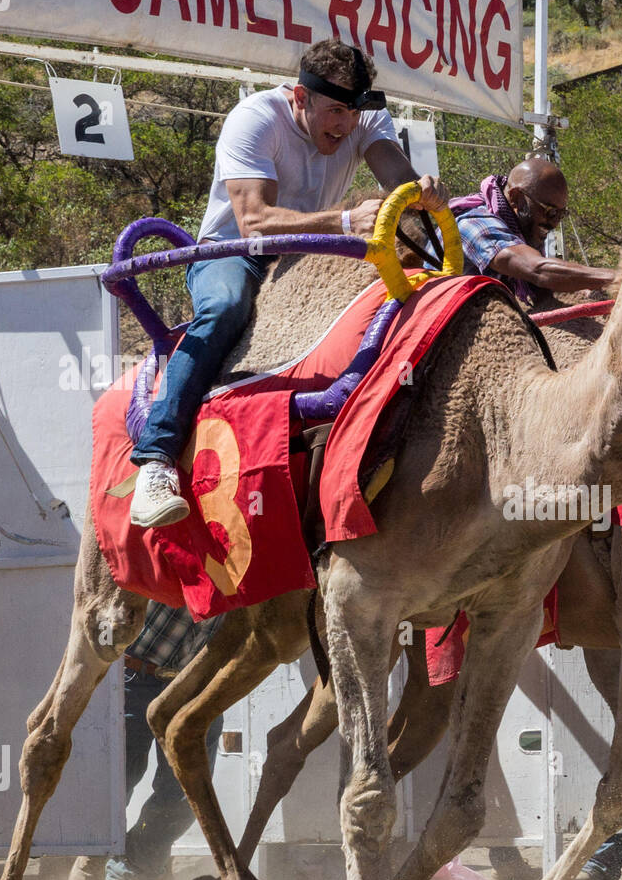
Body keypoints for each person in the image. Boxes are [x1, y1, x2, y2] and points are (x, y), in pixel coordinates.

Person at [130, 37, 448, 529]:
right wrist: (344, 221)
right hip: (236, 253)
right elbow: (252, 221)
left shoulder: (360, 118)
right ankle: (156, 459)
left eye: (354, 113)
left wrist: (422, 191)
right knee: (227, 308)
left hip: (314, 259)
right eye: (335, 111)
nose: (345, 125)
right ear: (300, 98)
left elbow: (396, 178)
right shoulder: (255, 118)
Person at [67, 602, 224, 880]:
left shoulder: (250, 559)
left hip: (196, 685)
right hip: (136, 674)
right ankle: (97, 849)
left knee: (184, 796)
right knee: (118, 776)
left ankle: (125, 874)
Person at [450, 158, 617, 304]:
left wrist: (582, 288)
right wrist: (618, 278)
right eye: (550, 212)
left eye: (561, 214)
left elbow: (539, 289)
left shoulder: (522, 230)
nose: (554, 223)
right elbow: (538, 270)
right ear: (516, 198)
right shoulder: (475, 224)